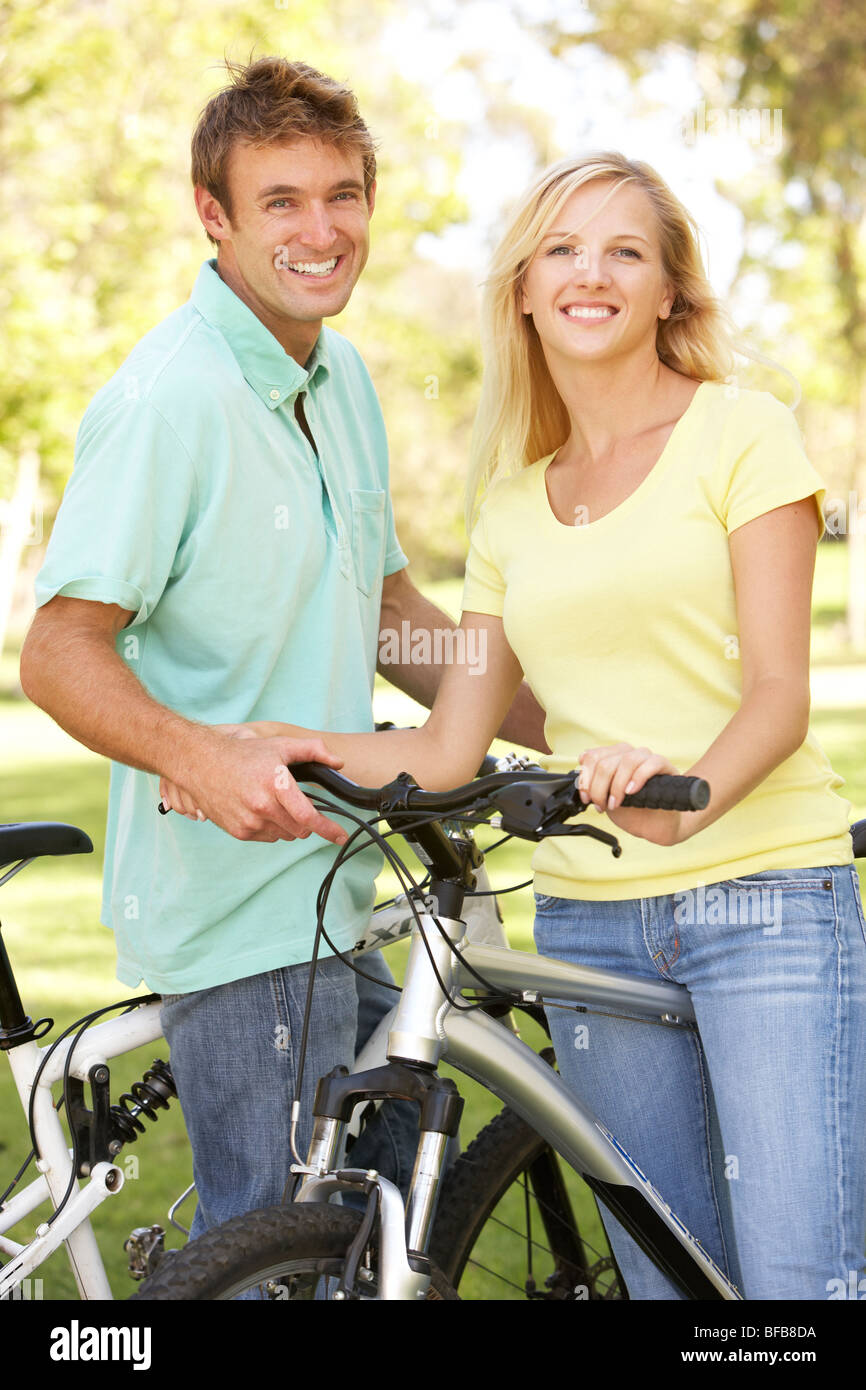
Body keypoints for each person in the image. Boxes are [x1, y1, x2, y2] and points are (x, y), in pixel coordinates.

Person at [166, 151, 866, 1299]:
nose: (590, 273)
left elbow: (778, 695)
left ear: (668, 293)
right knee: (662, 1284)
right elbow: (448, 745)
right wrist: (261, 746)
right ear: (525, 290)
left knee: (798, 1286)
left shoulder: (742, 434)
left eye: (623, 252)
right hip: (589, 924)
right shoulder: (508, 500)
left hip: (763, 902)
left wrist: (687, 802)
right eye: (561, 249)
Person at [18, 57, 547, 1241]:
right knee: (284, 1257)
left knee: (384, 1233)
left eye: (342, 194)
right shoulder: (173, 397)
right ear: (213, 216)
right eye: (281, 202)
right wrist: (199, 755)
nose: (322, 230)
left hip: (343, 883)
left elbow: (387, 609)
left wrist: (560, 725)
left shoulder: (338, 372)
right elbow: (57, 649)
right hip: (241, 912)